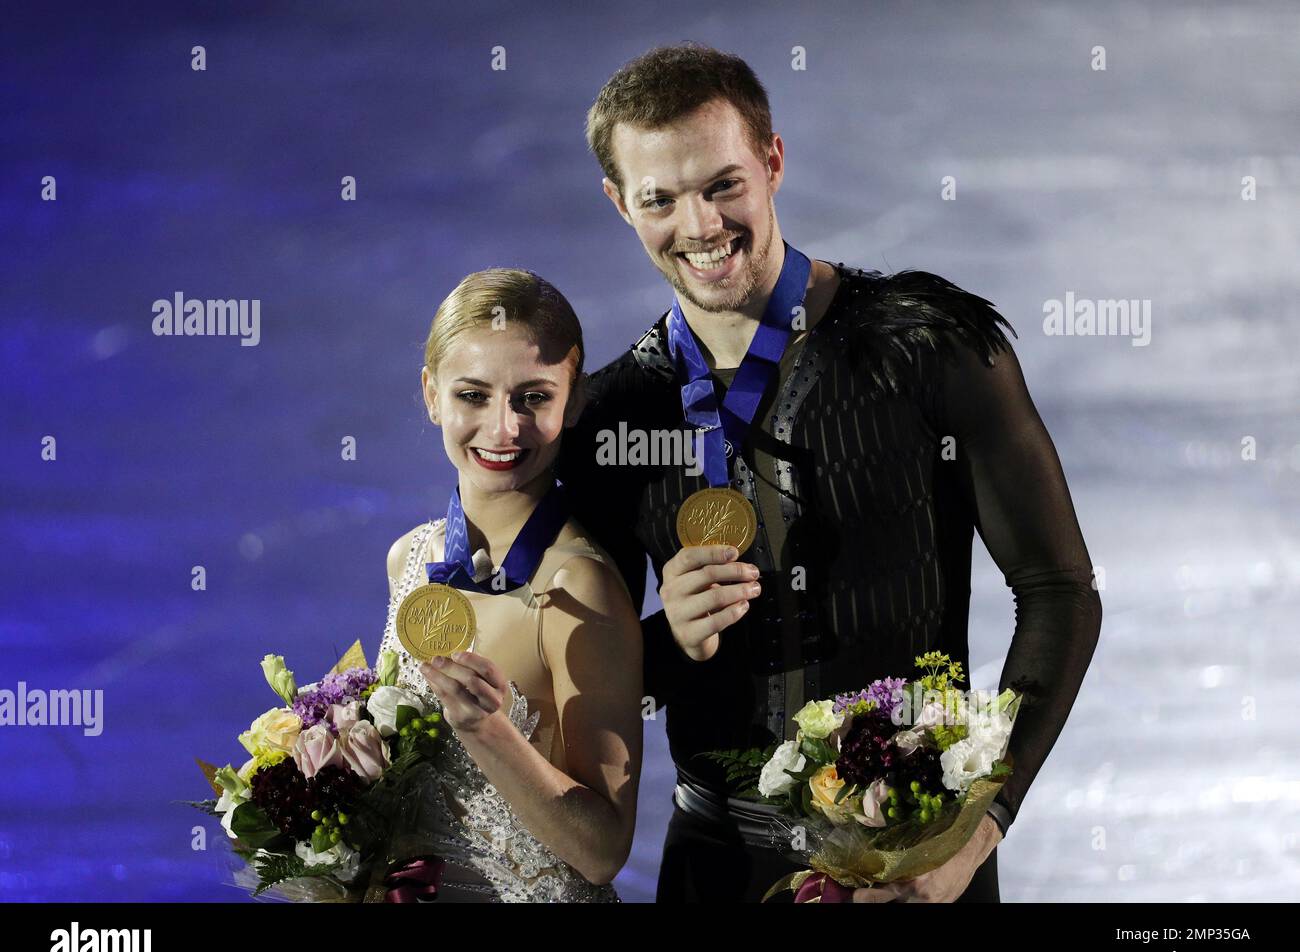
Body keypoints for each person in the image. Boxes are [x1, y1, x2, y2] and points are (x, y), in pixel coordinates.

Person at [557, 43, 1103, 903]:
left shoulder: (931, 348)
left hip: (917, 863)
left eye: (723, 185)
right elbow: (586, 691)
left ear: (773, 161)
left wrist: (978, 827)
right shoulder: (608, 419)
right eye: (660, 198)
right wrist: (668, 641)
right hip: (718, 870)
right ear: (620, 203)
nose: (699, 226)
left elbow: (1059, 589)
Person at [375, 268, 643, 902]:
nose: (503, 430)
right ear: (430, 394)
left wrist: (490, 733)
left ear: (573, 399)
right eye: (472, 395)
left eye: (532, 398)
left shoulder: (581, 589)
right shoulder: (408, 558)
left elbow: (603, 853)